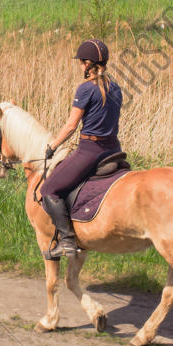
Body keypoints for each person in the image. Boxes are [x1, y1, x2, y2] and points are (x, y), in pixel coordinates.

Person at [40, 38, 123, 258]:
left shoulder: (86, 89)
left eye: (80, 62)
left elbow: (70, 126)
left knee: (48, 190)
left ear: (88, 63)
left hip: (91, 150)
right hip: (114, 149)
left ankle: (67, 241)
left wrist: (53, 146)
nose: (79, 66)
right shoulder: (115, 88)